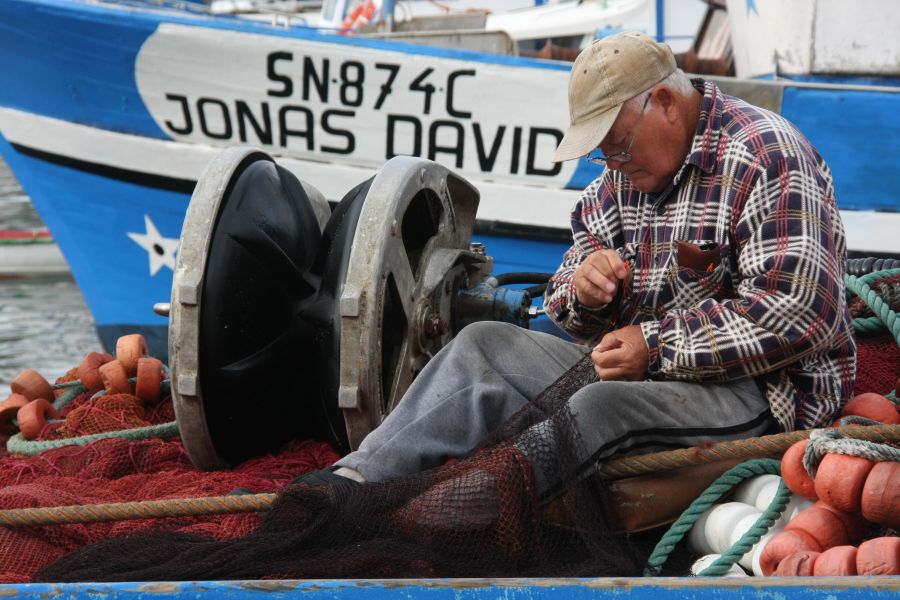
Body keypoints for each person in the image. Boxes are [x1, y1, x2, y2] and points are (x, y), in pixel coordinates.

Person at [313, 31, 857, 497]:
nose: (611, 163)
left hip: (759, 394)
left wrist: (654, 346)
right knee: (482, 346)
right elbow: (566, 304)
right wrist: (583, 289)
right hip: (641, 376)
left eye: (617, 144)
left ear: (666, 103)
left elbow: (800, 313)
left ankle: (444, 517)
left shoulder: (768, 157)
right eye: (602, 152)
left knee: (599, 407)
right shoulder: (619, 180)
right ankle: (354, 482)